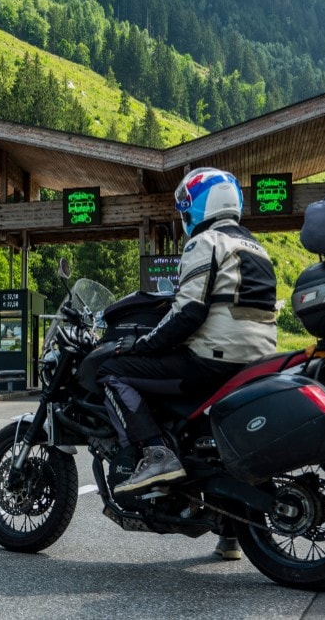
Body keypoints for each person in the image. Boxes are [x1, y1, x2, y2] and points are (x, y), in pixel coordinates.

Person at [95, 168, 278, 558]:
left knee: (113, 372)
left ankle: (156, 455)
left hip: (214, 359)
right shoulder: (257, 248)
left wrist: (142, 345)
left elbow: (188, 312)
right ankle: (231, 533)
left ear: (198, 207)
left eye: (186, 208)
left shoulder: (206, 242)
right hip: (256, 361)